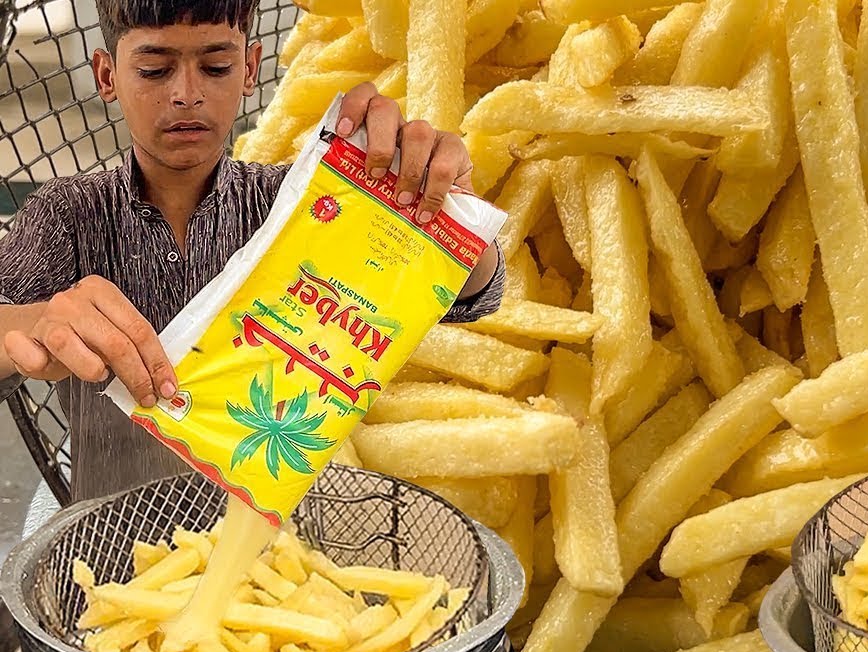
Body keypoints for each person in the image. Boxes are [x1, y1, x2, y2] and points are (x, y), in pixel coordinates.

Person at [0, 0, 505, 503]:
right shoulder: (65, 216)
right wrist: (32, 324)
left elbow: (475, 296)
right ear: (106, 75)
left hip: (283, 561)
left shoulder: (306, 209)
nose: (186, 95)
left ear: (249, 68)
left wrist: (441, 206)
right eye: (155, 70)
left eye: (216, 67)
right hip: (112, 558)